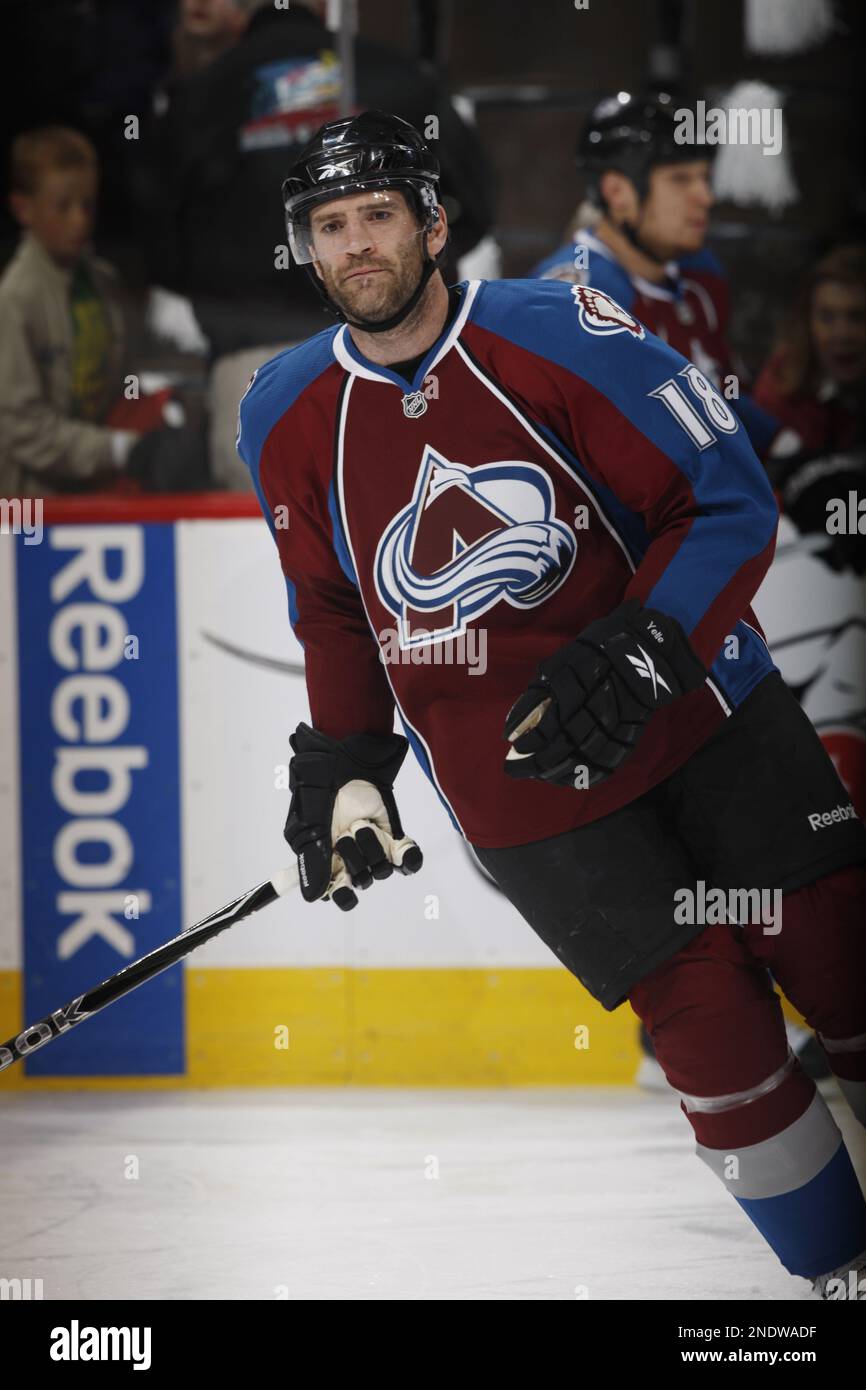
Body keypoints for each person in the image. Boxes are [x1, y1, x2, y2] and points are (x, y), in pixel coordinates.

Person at [237, 111, 866, 1299]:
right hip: (528, 797)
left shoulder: (560, 334)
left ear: (433, 223)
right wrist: (349, 766)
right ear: (306, 250)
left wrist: (642, 649)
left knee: (842, 962)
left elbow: (722, 499)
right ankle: (842, 1275)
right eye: (329, 226)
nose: (357, 245)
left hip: (705, 723)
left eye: (377, 215)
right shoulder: (279, 412)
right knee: (710, 1042)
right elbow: (331, 608)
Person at [130, 0, 496, 487]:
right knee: (424, 521)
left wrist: (225, 283)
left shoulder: (198, 96)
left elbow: (151, 241)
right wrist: (407, 276)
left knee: (253, 549)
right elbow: (473, 202)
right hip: (401, 355)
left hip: (255, 367)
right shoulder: (401, 75)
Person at [530, 91, 777, 455]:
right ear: (618, 192)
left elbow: (720, 402)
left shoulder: (701, 276)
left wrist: (786, 446)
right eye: (680, 179)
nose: (705, 197)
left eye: (704, 178)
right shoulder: (577, 298)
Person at [0, 125, 207, 498]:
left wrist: (163, 414)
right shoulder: (14, 300)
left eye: (88, 204)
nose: (79, 219)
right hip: (33, 503)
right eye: (62, 207)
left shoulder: (104, 283)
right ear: (22, 208)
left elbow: (124, 389)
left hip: (100, 487)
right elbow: (20, 427)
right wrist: (117, 448)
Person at [755, 242, 866, 577]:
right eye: (827, 317)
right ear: (808, 320)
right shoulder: (783, 385)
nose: (841, 334)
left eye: (857, 317)